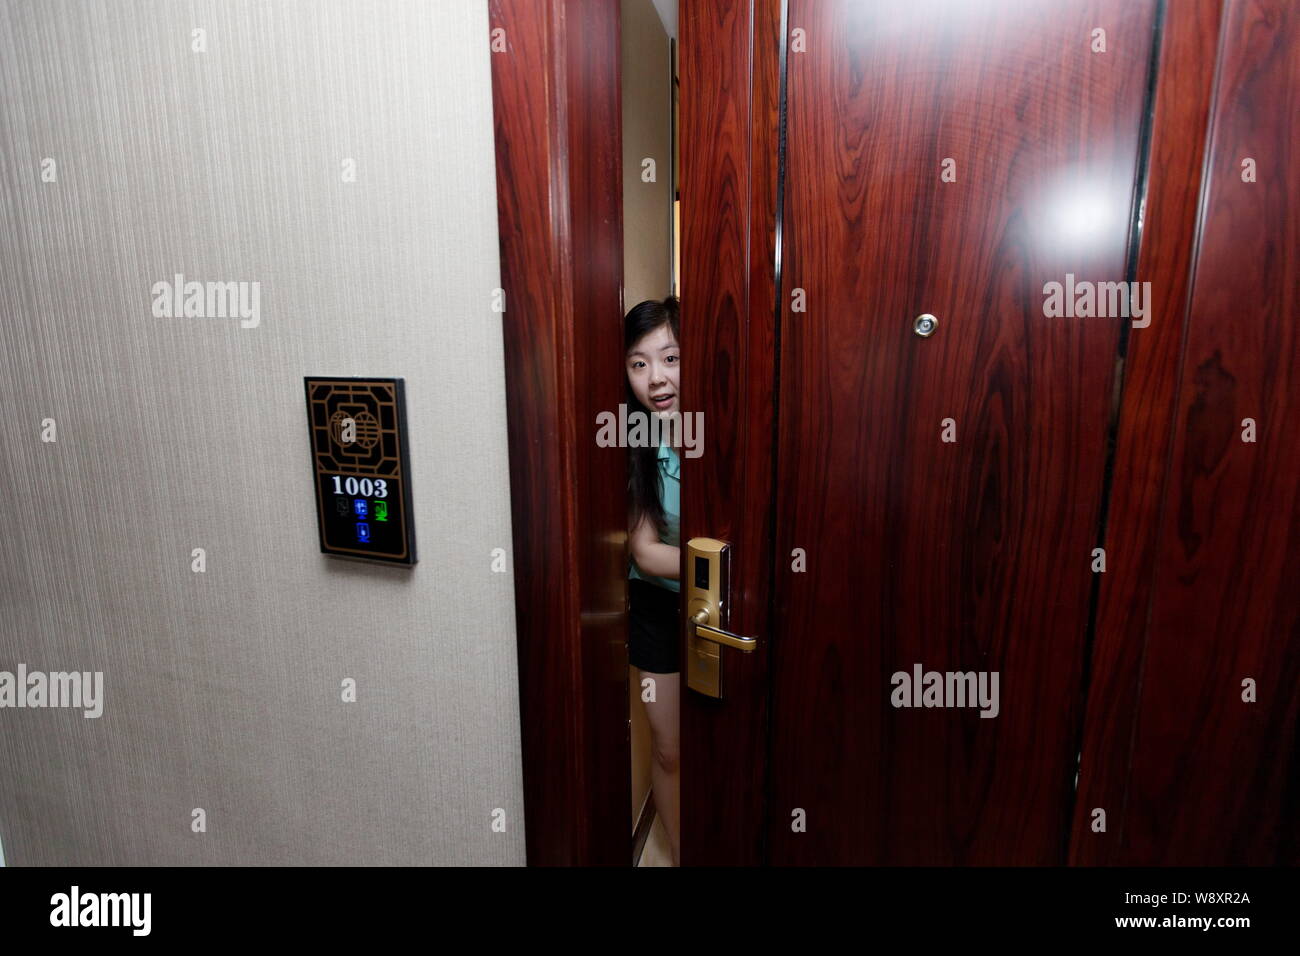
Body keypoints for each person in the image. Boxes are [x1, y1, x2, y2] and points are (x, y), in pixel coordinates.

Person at [624, 295, 682, 866]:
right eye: (639, 364)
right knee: (667, 748)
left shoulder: (727, 428)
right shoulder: (636, 442)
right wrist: (717, 565)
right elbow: (644, 551)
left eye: (670, 358)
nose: (657, 379)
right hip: (656, 608)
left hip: (723, 607)